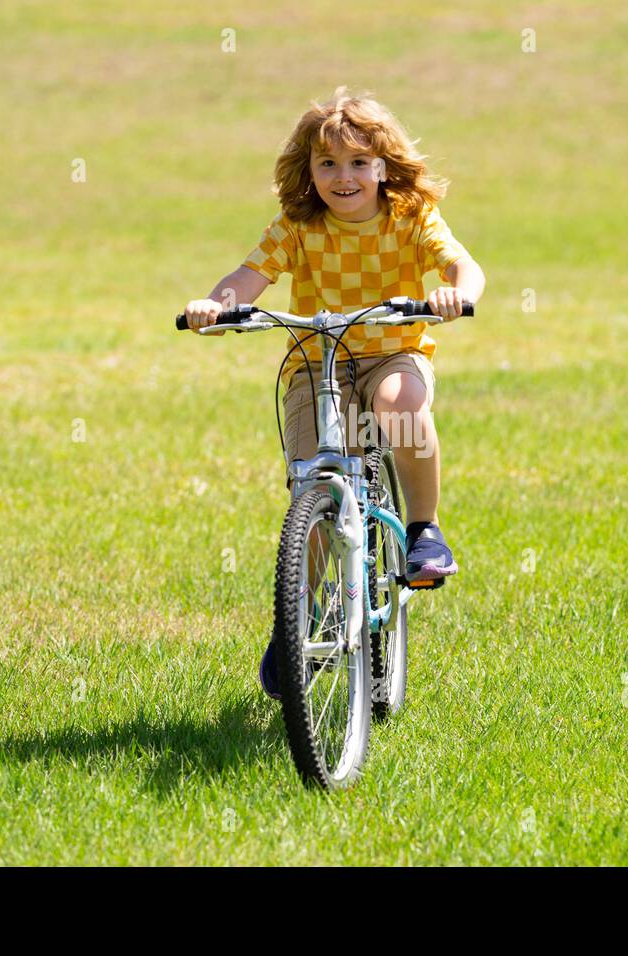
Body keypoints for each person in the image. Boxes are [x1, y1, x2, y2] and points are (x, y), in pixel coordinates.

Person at [182, 87, 486, 699]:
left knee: (400, 407)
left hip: (391, 351)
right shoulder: (298, 225)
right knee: (315, 486)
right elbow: (250, 275)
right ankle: (298, 619)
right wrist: (219, 304)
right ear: (308, 170)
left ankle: (424, 528)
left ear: (382, 166)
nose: (342, 177)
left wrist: (456, 291)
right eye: (327, 164)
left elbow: (461, 265)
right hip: (315, 360)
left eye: (356, 163)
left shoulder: (409, 217)